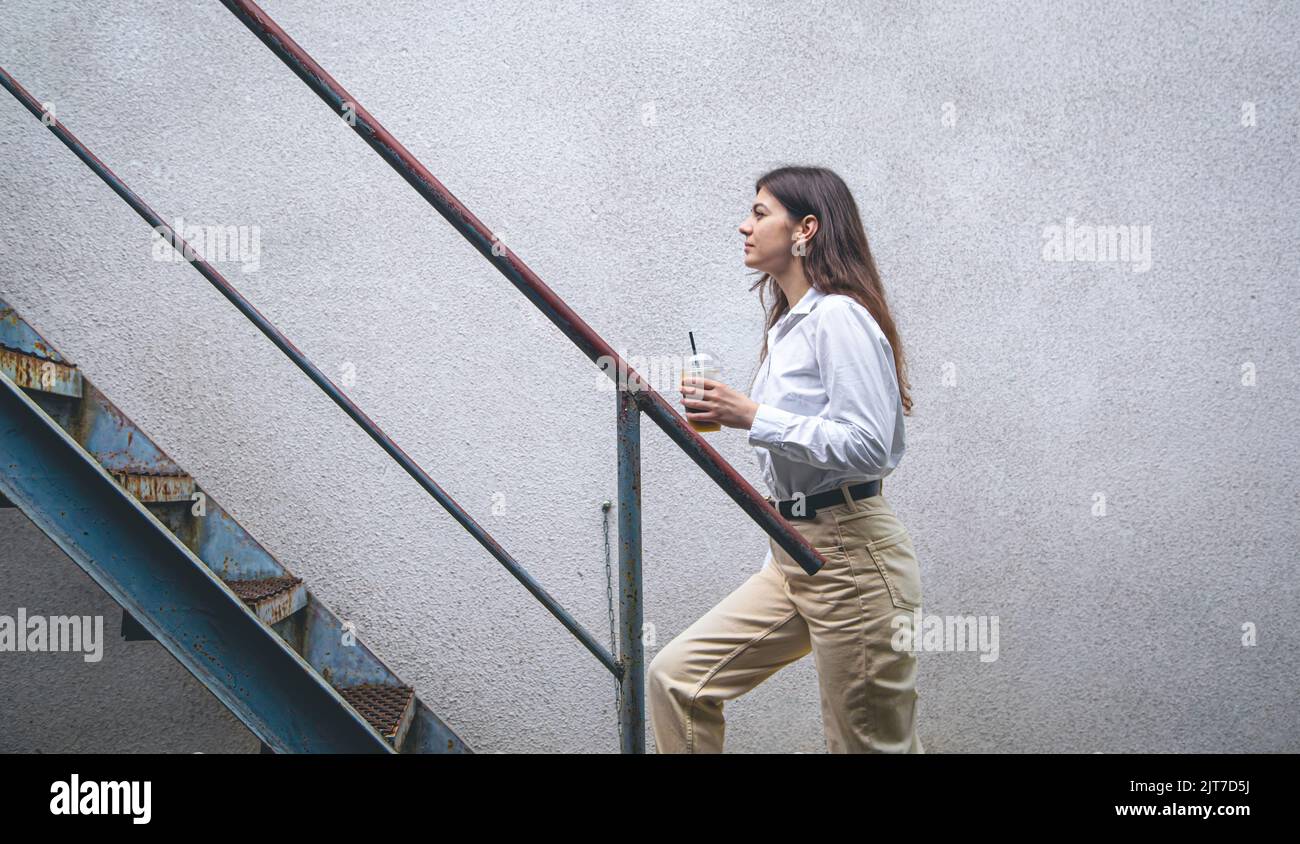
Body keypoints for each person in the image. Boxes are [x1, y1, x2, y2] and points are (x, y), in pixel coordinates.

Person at [647, 165, 924, 753]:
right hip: (794, 550)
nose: (743, 225)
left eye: (759, 213)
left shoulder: (839, 317)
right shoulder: (789, 328)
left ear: (806, 229)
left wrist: (751, 415)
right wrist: (737, 415)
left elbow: (872, 445)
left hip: (850, 553)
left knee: (867, 747)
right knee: (678, 680)